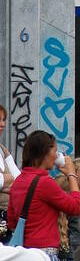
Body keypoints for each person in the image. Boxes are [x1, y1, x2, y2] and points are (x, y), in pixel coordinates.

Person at [7, 132, 80, 261]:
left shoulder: (18, 182)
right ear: (45, 153)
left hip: (24, 258)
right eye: (55, 151)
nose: (57, 156)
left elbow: (12, 221)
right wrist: (71, 173)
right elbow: (75, 206)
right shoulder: (45, 183)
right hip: (45, 258)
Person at [0, 104, 20, 242]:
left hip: (7, 219)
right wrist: (7, 180)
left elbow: (19, 181)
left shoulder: (2, 150)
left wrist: (4, 181)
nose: (2, 124)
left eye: (3, 120)